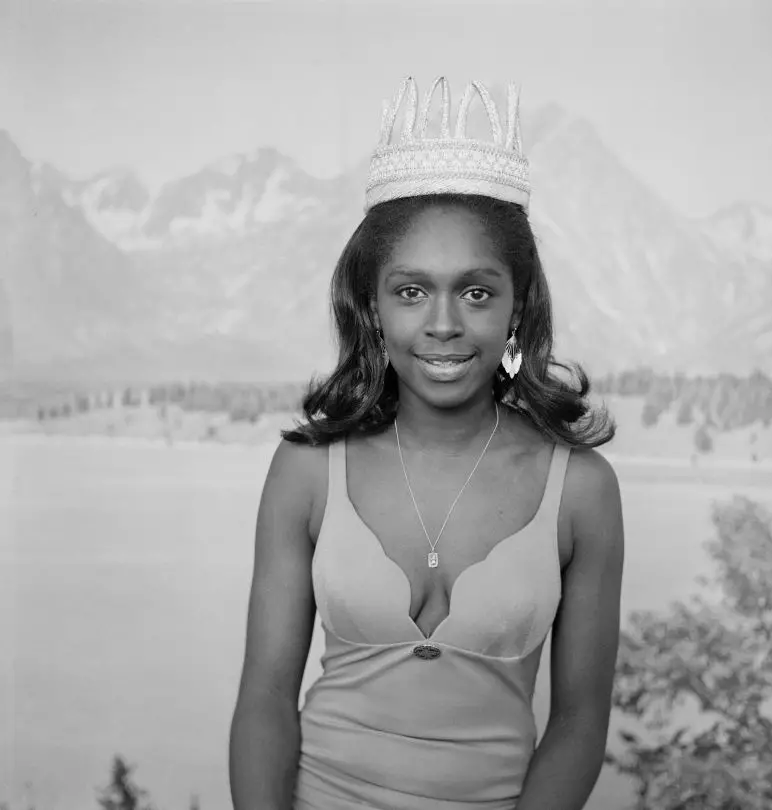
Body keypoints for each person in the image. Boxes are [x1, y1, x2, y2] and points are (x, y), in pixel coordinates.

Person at [229, 76, 625, 810]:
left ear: (517, 310)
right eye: (411, 291)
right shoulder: (308, 472)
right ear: (372, 309)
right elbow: (262, 700)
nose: (443, 323)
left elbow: (579, 722)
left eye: (476, 292)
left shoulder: (583, 490)